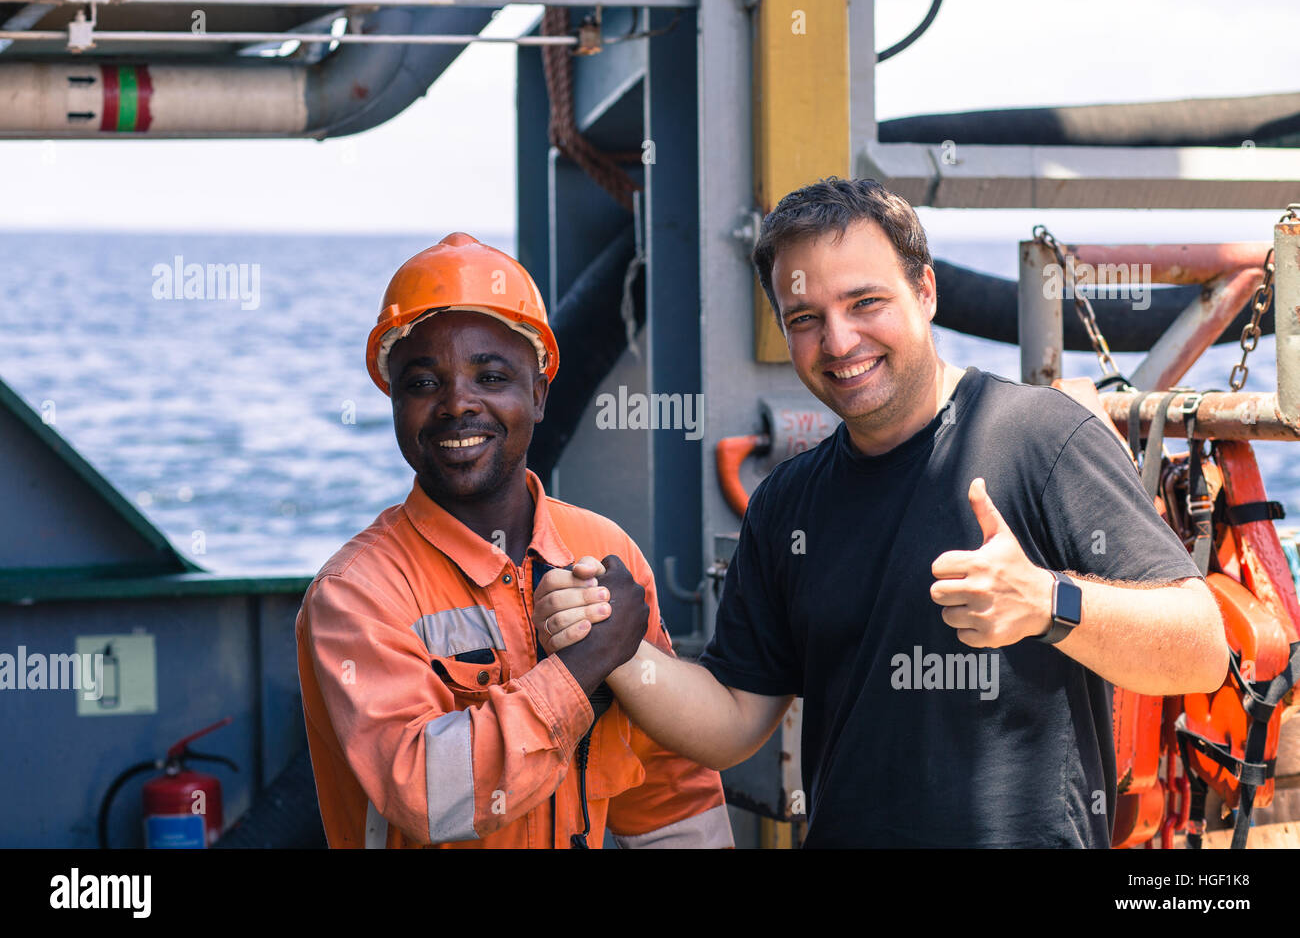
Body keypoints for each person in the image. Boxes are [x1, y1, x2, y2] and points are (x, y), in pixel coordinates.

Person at [532, 178, 1230, 848]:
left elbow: (1201, 648)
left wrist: (1048, 602)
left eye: (865, 303)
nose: (838, 342)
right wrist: (615, 651)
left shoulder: (1041, 436)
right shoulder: (788, 502)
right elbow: (735, 719)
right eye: (806, 319)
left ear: (925, 292)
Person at [295, 232, 732, 848]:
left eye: (491, 376)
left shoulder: (605, 550)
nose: (456, 405)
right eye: (423, 384)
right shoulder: (356, 595)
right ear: (393, 401)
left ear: (540, 393)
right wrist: (587, 665)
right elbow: (426, 795)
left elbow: (666, 785)